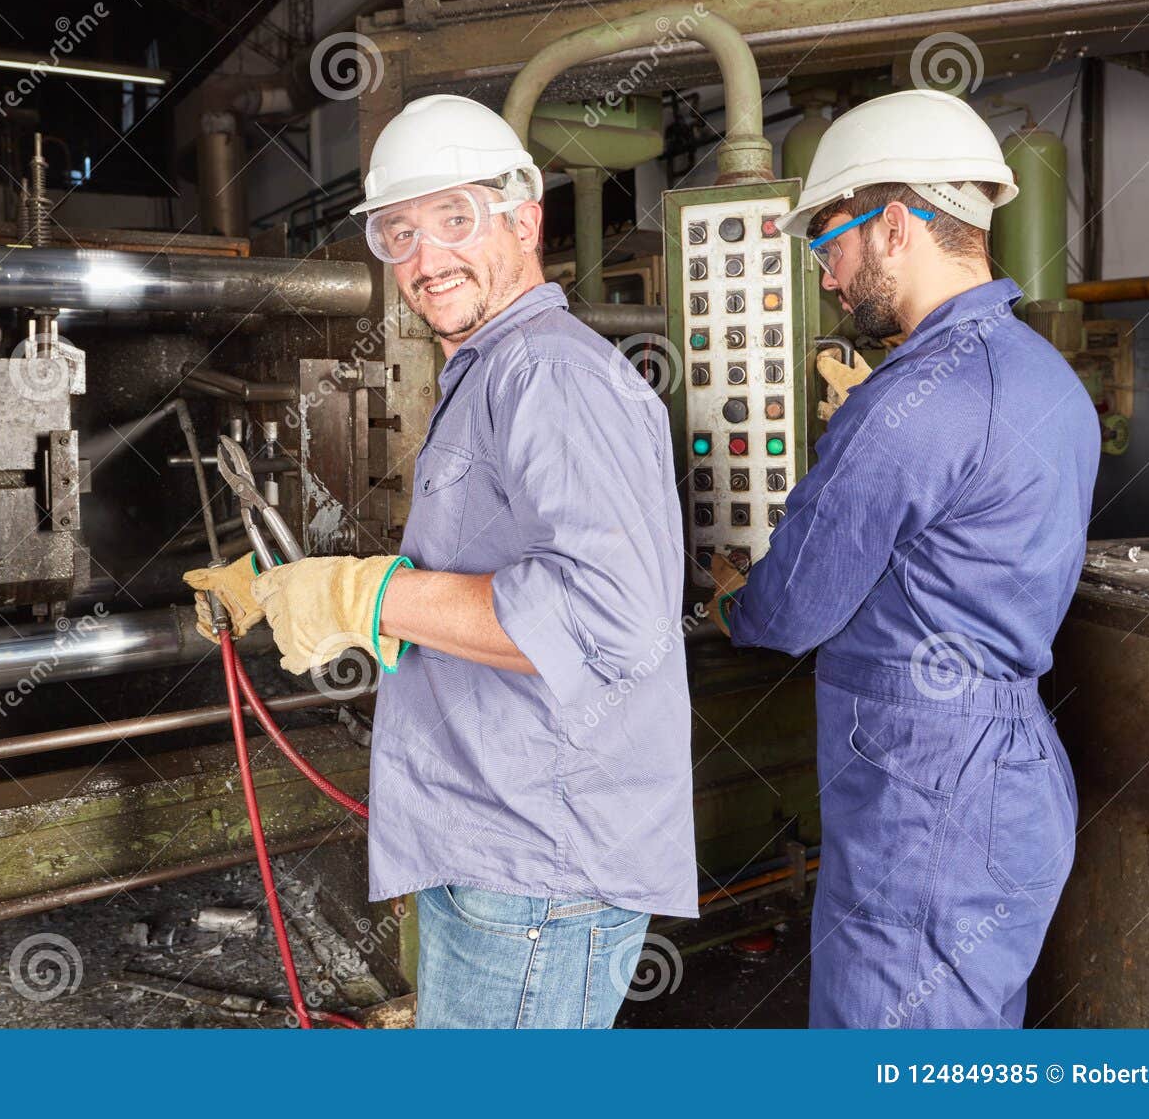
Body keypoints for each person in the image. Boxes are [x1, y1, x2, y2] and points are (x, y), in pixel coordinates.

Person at [186, 94, 696, 1029]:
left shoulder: (549, 373)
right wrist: (286, 591)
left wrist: (364, 592)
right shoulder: (492, 372)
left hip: (541, 864)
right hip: (496, 844)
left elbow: (609, 617)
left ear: (525, 217)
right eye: (399, 232)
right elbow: (484, 576)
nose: (426, 259)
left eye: (454, 219)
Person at [713, 88, 1098, 1028]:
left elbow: (792, 607)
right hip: (1010, 770)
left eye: (828, 245)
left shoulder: (910, 399)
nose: (828, 277)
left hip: (923, 792)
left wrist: (732, 597)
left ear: (894, 227)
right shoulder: (1045, 374)